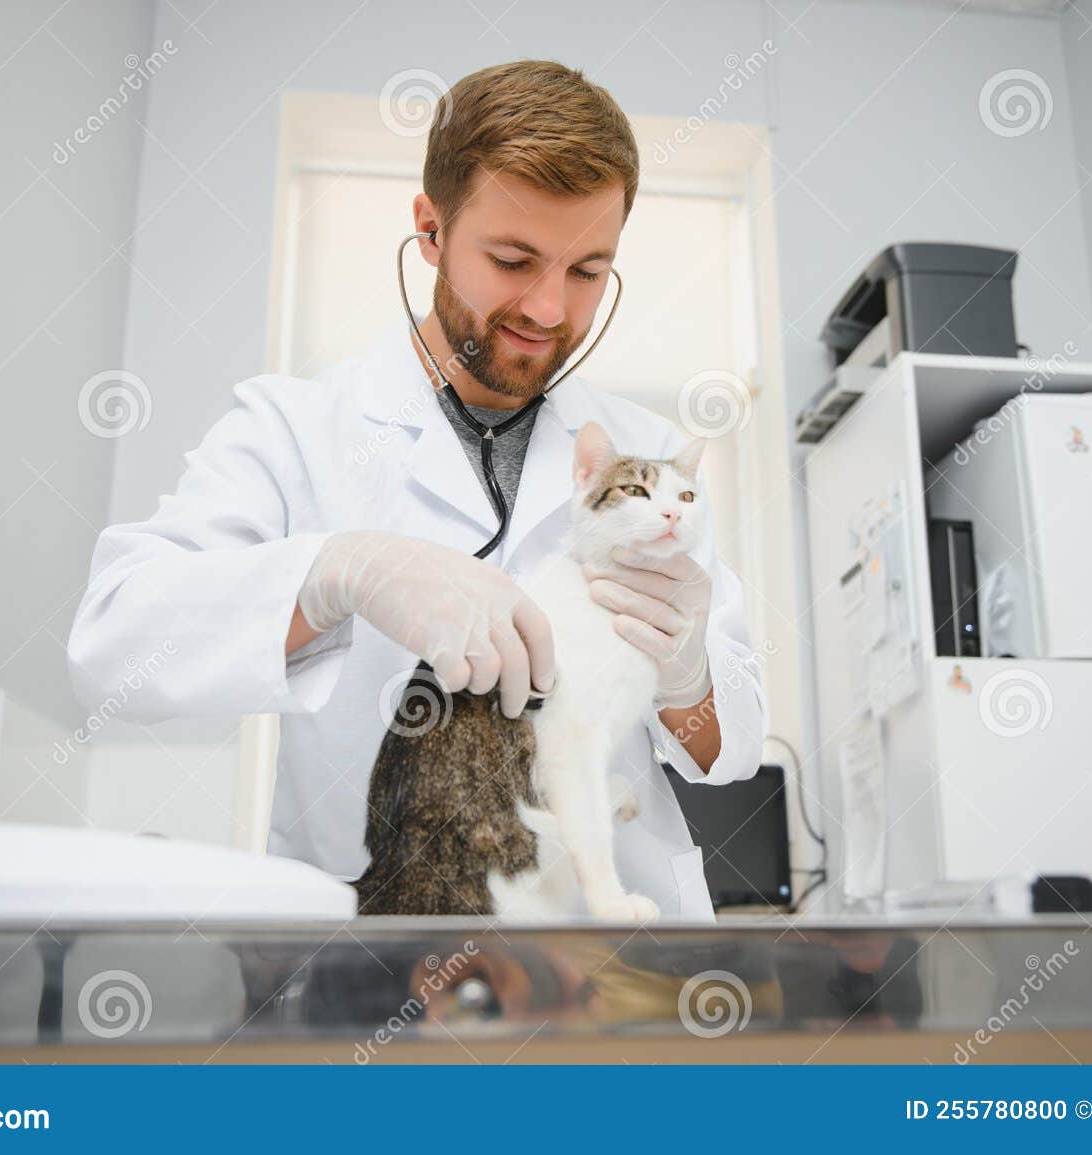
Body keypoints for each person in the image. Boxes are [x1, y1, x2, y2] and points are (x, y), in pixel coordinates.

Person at [67, 59, 767, 920]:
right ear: (430, 230)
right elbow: (113, 652)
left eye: (588, 270)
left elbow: (728, 749)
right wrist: (338, 572)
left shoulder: (648, 459)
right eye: (513, 259)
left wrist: (686, 672)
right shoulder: (296, 428)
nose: (550, 308)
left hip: (607, 965)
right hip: (376, 959)